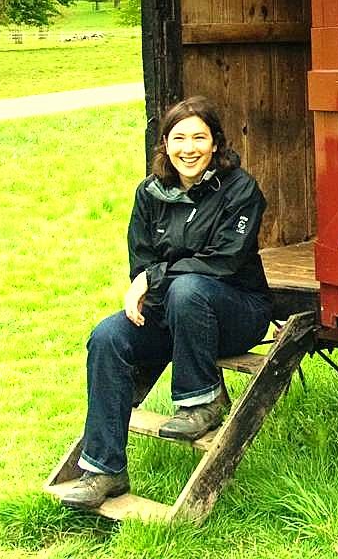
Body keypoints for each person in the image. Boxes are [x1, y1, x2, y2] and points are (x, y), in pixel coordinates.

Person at [60, 96, 273, 510]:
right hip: (174, 313)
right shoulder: (149, 193)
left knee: (188, 287)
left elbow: (225, 261)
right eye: (179, 138)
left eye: (199, 137)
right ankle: (104, 470)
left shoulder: (241, 189)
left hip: (237, 312)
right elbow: (141, 259)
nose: (188, 148)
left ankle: (201, 401)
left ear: (216, 144)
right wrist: (149, 279)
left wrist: (153, 278)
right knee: (106, 337)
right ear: (165, 144)